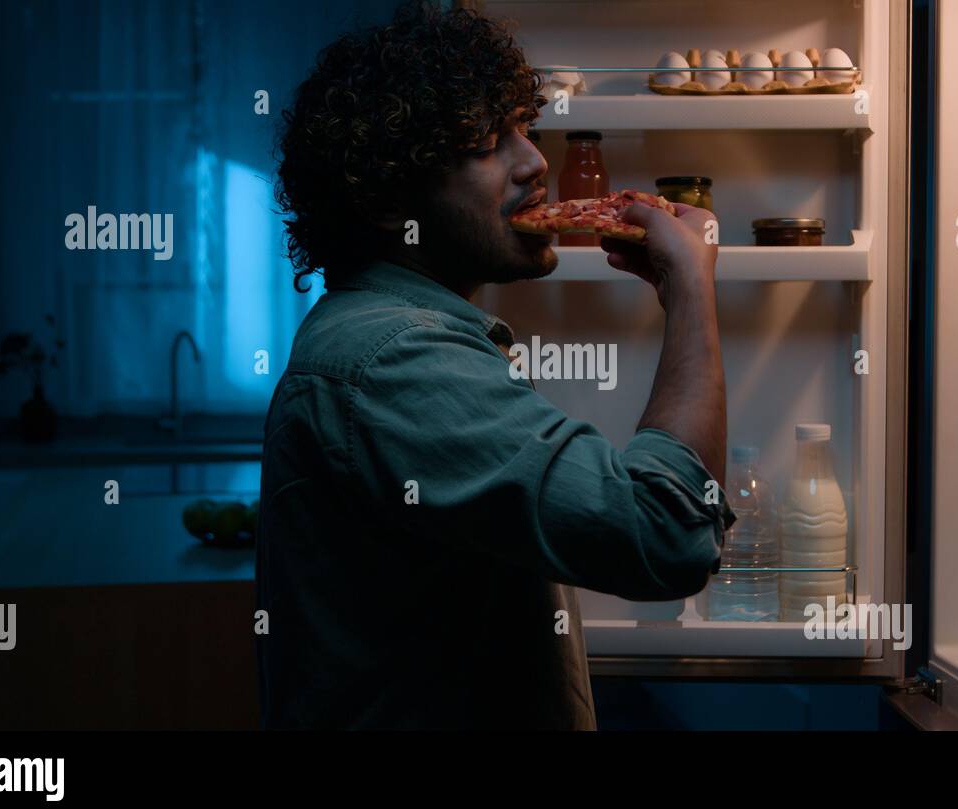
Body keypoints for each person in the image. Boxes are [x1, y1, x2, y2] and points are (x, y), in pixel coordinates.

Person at [257, 0, 733, 730]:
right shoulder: (394, 361)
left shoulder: (389, 336)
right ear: (390, 199)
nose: (535, 161)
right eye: (486, 142)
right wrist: (692, 291)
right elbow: (665, 536)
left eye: (524, 126)